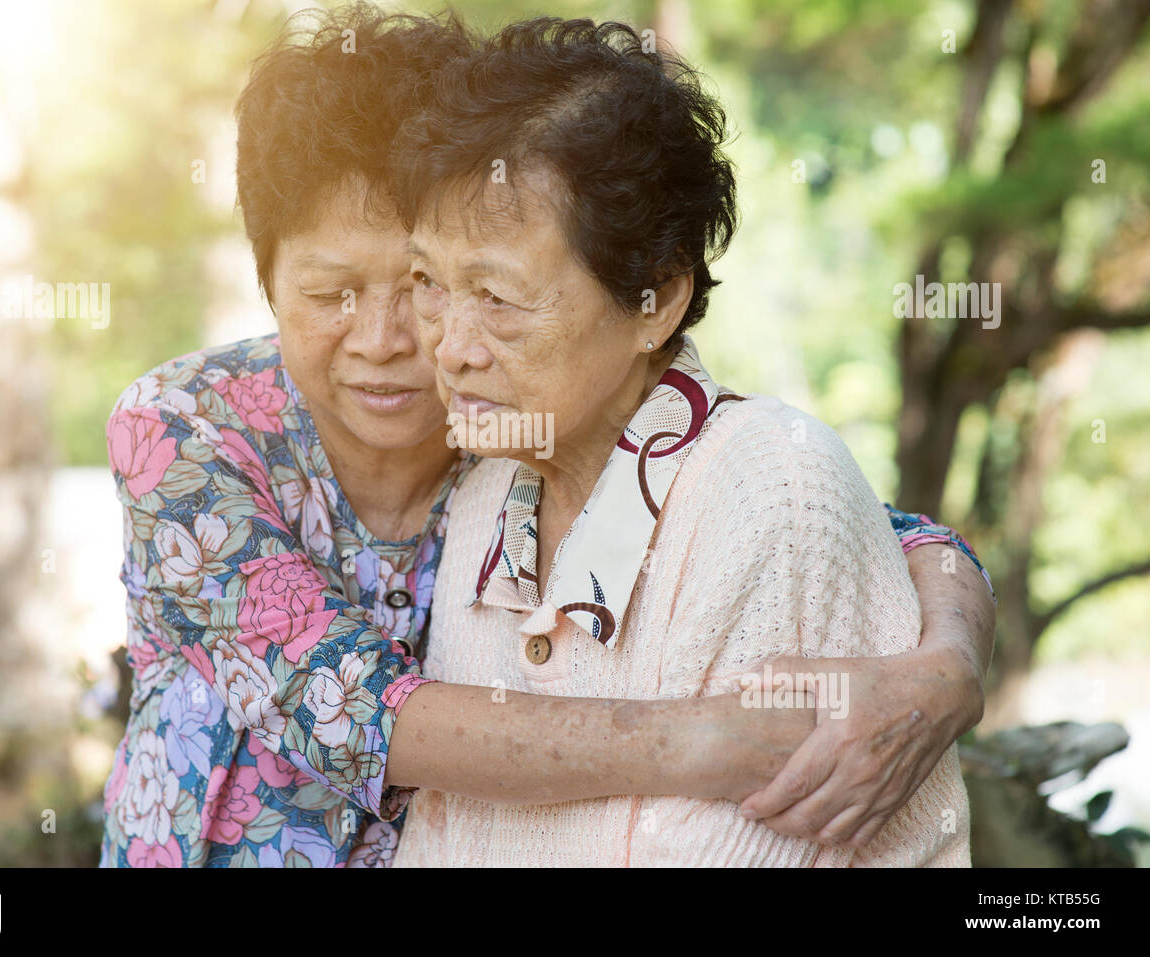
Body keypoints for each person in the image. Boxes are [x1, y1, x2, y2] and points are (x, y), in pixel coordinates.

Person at [99, 5, 994, 868]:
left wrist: (945, 669)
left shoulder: (508, 425)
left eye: (418, 282)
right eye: (331, 292)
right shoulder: (188, 429)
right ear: (267, 282)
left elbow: (868, 526)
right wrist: (707, 737)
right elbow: (357, 711)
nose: (391, 341)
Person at [389, 16, 972, 866]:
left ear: (656, 296)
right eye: (429, 283)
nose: (450, 344)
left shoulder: (769, 487)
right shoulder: (487, 497)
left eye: (499, 297)